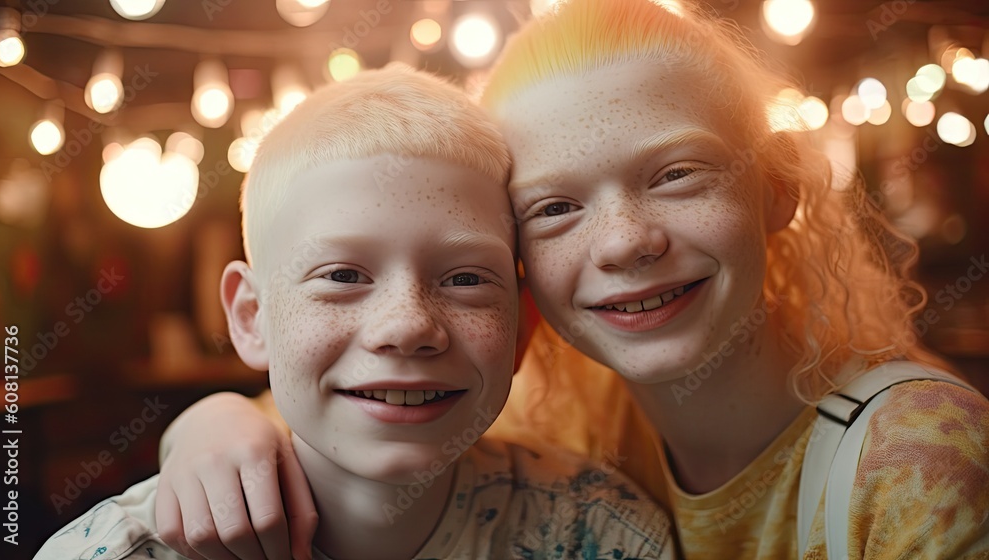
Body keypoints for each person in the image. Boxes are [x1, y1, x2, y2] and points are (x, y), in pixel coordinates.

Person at [155, 0, 989, 558]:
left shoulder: (914, 458)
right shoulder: (566, 401)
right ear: (518, 270)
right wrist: (206, 423)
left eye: (676, 174)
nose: (626, 242)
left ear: (777, 188)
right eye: (554, 208)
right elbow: (321, 402)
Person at [34, 64, 674, 560]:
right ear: (252, 318)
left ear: (520, 322)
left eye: (465, 278)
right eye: (342, 276)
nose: (407, 326)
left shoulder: (601, 535)